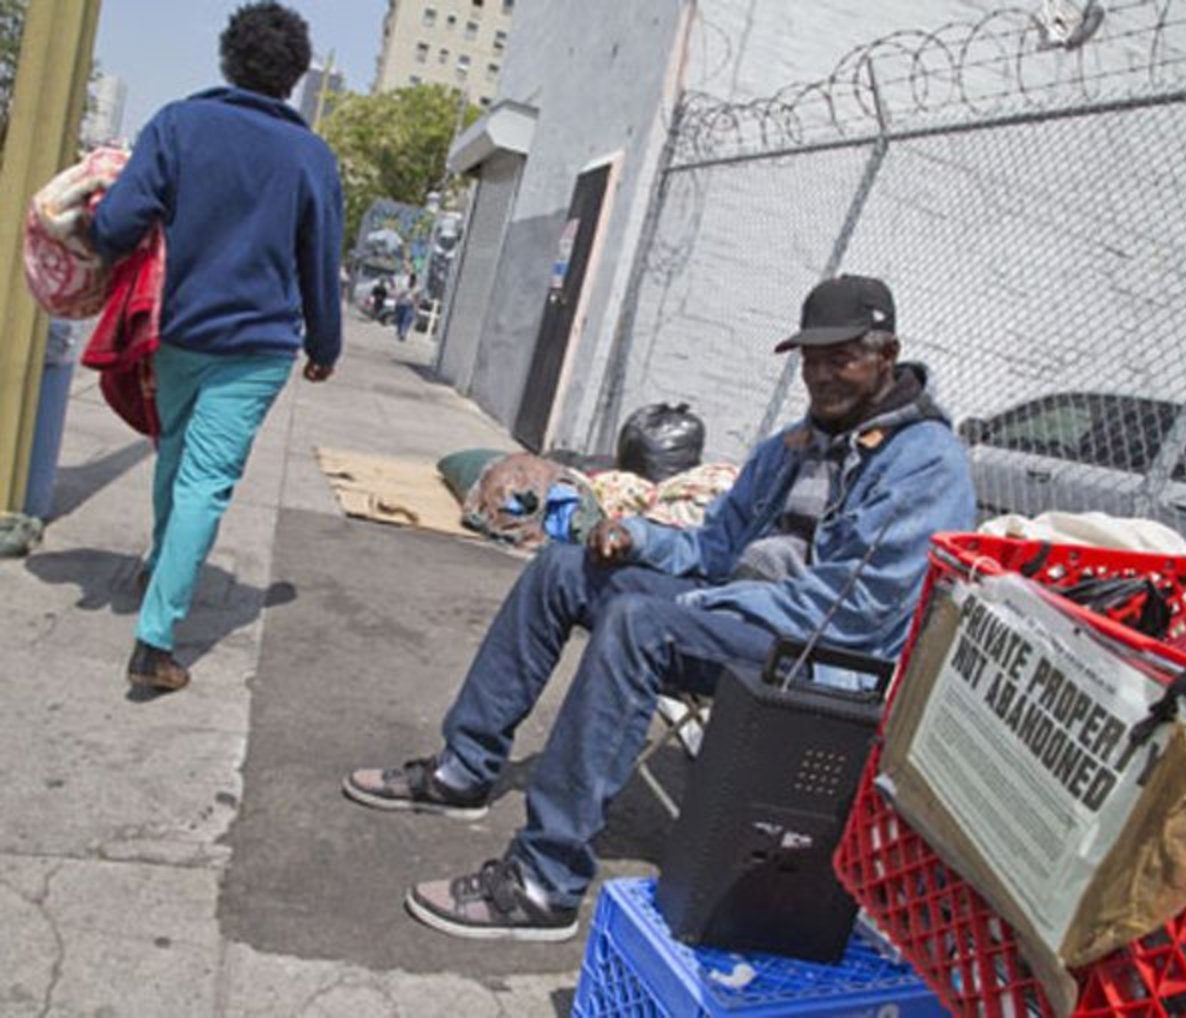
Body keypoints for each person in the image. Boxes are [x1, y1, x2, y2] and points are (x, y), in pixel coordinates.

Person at [343, 274, 976, 941]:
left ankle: (543, 881)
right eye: (811, 360)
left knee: (641, 622)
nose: (821, 376)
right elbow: (715, 544)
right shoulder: (798, 443)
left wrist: (705, 601)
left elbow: (851, 618)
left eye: (840, 358)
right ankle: (462, 770)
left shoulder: (924, 463)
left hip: (823, 657)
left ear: (887, 354)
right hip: (742, 615)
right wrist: (634, 536)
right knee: (564, 566)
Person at [87, 1, 343, 692]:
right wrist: (325, 343)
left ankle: (159, 564)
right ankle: (154, 641)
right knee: (206, 478)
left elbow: (116, 222)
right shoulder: (311, 156)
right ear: (292, 77)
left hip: (177, 330)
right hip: (257, 346)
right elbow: (320, 259)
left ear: (228, 59)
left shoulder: (177, 124)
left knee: (175, 453)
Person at [394, 271, 419, 341]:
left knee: (407, 321)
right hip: (401, 305)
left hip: (410, 307)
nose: (411, 281)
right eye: (411, 280)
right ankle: (400, 332)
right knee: (400, 320)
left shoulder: (417, 289)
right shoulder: (405, 287)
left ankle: (403, 334)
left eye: (413, 280)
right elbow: (399, 295)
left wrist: (416, 308)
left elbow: (417, 299)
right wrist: (397, 303)